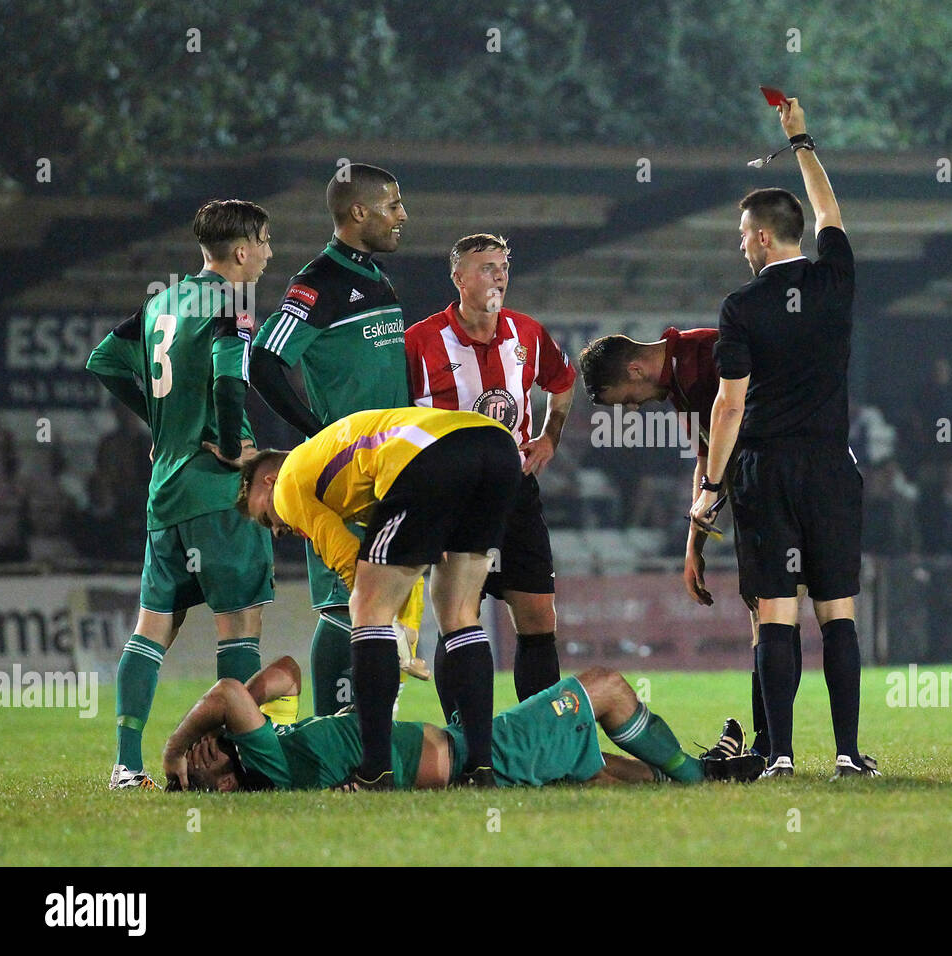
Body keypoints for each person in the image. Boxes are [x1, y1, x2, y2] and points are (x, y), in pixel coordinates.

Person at [689, 95, 875, 781]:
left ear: (763, 238)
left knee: (775, 613)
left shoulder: (741, 307)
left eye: (743, 233)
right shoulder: (835, 280)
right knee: (838, 613)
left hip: (766, 472)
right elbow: (830, 213)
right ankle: (850, 754)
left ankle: (783, 755)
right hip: (830, 467)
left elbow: (729, 406)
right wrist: (802, 142)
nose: (740, 242)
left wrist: (711, 487)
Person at [85, 199, 277, 790]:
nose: (270, 254)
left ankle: (126, 764)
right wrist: (224, 441)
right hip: (221, 493)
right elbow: (227, 376)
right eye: (266, 242)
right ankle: (231, 761)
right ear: (242, 250)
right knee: (239, 625)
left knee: (152, 628)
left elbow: (105, 360)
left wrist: (163, 425)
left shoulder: (161, 301)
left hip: (165, 493)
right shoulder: (233, 302)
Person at [229, 406, 523, 789]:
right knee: (459, 613)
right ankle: (480, 770)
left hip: (430, 456)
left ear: (268, 482)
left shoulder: (286, 488)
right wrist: (408, 632)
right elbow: (407, 563)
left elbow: (347, 557)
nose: (277, 530)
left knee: (366, 609)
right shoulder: (333, 469)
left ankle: (376, 771)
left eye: (266, 518)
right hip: (498, 448)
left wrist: (378, 618)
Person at [579, 328, 802, 759]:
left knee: (776, 611)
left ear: (634, 368)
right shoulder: (680, 379)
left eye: (624, 398)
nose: (632, 408)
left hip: (781, 483)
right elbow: (707, 455)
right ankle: (768, 743)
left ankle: (774, 748)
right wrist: (692, 545)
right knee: (766, 609)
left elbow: (740, 423)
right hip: (754, 491)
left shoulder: (707, 355)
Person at [249, 163, 419, 718]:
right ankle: (328, 725)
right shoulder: (318, 280)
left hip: (392, 465)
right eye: (392, 205)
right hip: (346, 469)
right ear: (359, 212)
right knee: (343, 606)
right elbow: (266, 360)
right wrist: (317, 434)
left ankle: (371, 729)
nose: (402, 216)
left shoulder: (377, 279)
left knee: (383, 600)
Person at [404, 234, 576, 710]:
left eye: (503, 266)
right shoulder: (419, 342)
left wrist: (550, 437)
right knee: (460, 618)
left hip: (516, 494)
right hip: (452, 499)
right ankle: (466, 739)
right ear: (458, 279)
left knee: (540, 617)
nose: (498, 275)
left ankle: (537, 737)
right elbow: (394, 418)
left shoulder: (527, 333)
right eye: (485, 268)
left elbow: (563, 382)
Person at [163, 656, 766, 791]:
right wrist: (171, 752)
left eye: (204, 744)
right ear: (222, 786)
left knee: (595, 770)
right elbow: (224, 692)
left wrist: (250, 701)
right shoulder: (269, 768)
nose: (206, 746)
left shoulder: (271, 744)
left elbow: (289, 675)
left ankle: (710, 771)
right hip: (477, 753)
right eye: (204, 759)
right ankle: (700, 777)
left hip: (467, 751)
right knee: (604, 686)